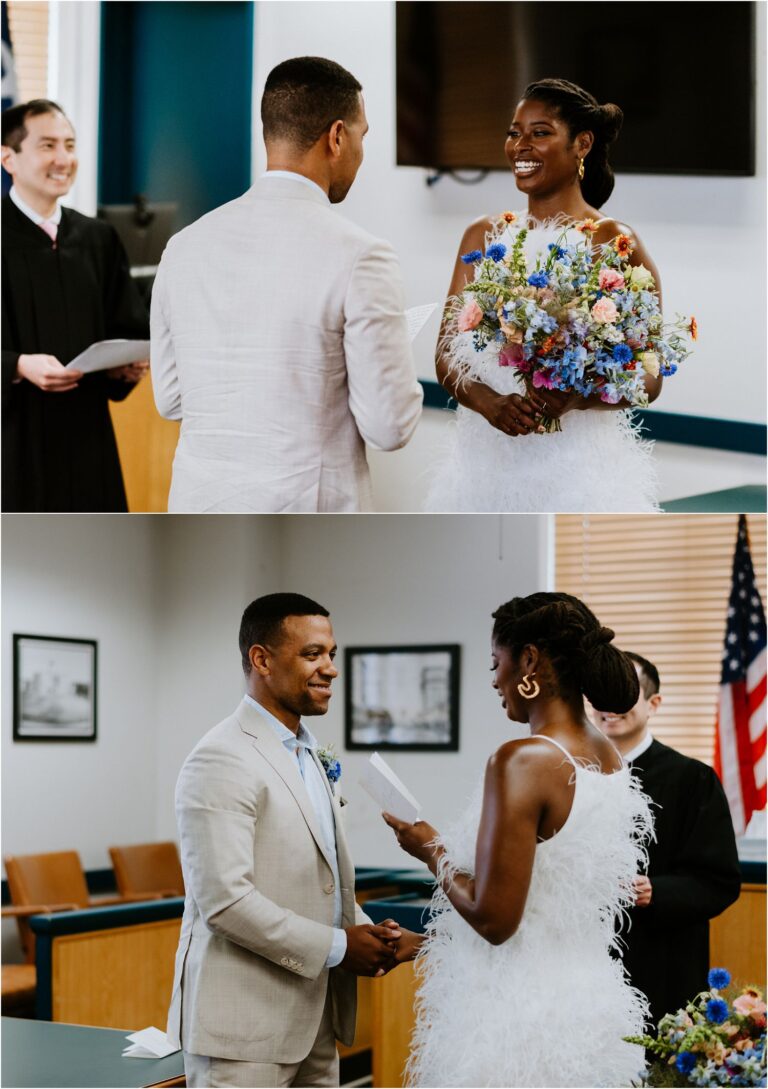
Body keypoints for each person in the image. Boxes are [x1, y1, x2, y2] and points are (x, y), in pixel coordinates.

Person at [383, 592, 654, 1088]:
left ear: (528, 660)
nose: (494, 680)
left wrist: (430, 849)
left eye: (496, 663)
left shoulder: (523, 760)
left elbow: (495, 921)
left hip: (515, 1023)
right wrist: (426, 944)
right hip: (588, 1009)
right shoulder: (608, 755)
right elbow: (544, 914)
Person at [151, 56, 423, 513]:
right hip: (305, 512)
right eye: (362, 136)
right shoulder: (361, 255)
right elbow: (389, 427)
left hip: (198, 506)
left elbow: (171, 400)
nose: (361, 152)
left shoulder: (182, 246)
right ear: (337, 137)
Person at [170, 593, 403, 1089]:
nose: (331, 668)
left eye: (331, 654)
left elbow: (321, 881)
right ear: (262, 660)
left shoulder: (309, 753)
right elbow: (225, 902)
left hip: (316, 1022)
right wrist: (340, 947)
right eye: (312, 654)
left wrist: (369, 932)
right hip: (244, 1034)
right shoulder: (222, 757)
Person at [426, 78, 662, 513]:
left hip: (577, 472)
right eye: (514, 133)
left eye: (540, 133)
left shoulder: (612, 241)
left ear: (582, 144)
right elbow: (445, 355)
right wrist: (489, 403)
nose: (520, 146)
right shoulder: (483, 235)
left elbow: (650, 377)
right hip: (485, 464)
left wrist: (578, 397)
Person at [1, 99, 149, 512]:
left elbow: (126, 326)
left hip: (87, 437)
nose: (64, 159)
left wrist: (124, 368)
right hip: (13, 441)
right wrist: (17, 365)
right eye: (48, 145)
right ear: (8, 158)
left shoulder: (98, 239)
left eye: (69, 145)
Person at [591, 651, 741, 1026]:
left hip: (662, 966)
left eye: (624, 692)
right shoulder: (572, 776)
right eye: (600, 693)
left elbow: (719, 881)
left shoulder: (693, 780)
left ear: (653, 703)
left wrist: (655, 891)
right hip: (586, 963)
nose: (609, 705)